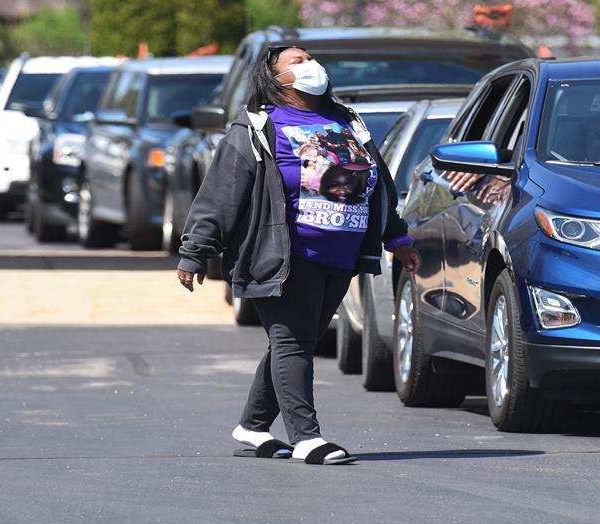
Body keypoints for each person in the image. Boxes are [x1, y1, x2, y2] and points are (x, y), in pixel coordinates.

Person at [175, 44, 420, 465]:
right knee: (293, 344)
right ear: (275, 78)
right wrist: (196, 251)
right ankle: (307, 437)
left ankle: (253, 426)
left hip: (340, 255)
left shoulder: (347, 121)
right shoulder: (256, 127)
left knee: (292, 344)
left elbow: (377, 183)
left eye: (311, 59)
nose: (311, 66)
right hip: (284, 255)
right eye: (298, 61)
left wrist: (396, 238)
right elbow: (221, 193)